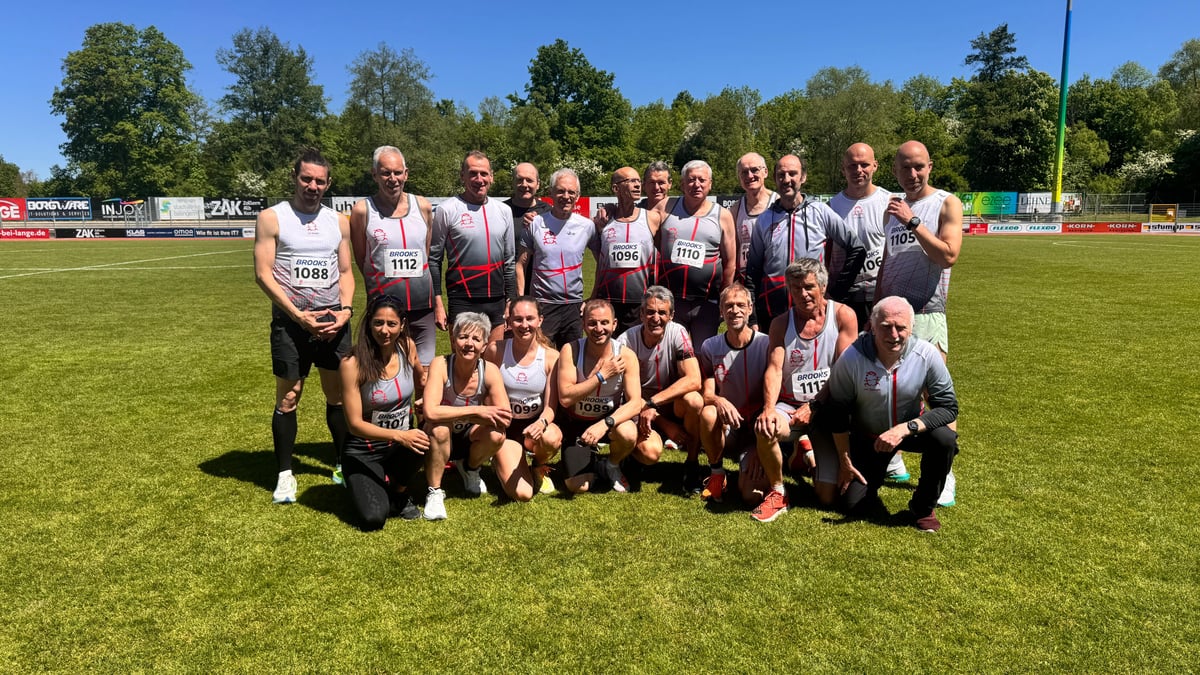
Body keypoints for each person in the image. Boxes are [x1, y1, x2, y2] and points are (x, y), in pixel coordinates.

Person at [253, 148, 354, 504]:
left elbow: (345, 272)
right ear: (294, 178)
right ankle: (285, 474)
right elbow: (263, 274)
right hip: (291, 323)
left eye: (319, 181)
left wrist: (345, 311)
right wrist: (298, 315)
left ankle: (342, 464)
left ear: (328, 183)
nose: (313, 186)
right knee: (289, 396)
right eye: (306, 179)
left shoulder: (339, 222)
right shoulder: (272, 218)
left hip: (332, 322)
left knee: (338, 395)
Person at [876, 140, 964, 504]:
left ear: (930, 167)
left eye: (919, 166)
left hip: (927, 313)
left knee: (935, 395)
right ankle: (894, 459)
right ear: (894, 171)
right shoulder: (891, 208)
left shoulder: (946, 202)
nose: (912, 174)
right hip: (890, 317)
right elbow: (887, 262)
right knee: (888, 391)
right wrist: (876, 311)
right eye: (905, 168)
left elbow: (949, 255)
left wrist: (912, 222)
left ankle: (944, 474)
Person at [824, 296, 959, 532]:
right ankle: (875, 474)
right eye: (886, 326)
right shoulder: (852, 357)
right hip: (869, 437)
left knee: (944, 439)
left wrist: (906, 428)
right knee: (853, 504)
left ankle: (923, 507)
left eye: (901, 327)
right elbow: (837, 411)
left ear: (912, 327)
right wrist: (845, 462)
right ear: (873, 326)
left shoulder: (926, 354)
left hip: (909, 432)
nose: (894, 335)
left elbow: (948, 407)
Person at [752, 258, 857, 522]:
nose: (802, 294)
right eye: (795, 288)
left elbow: (843, 371)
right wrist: (768, 409)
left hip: (827, 410)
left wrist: (815, 405)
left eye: (809, 286)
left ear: (823, 286)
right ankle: (778, 492)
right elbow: (774, 368)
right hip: (790, 405)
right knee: (765, 427)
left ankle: (804, 453)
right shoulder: (780, 323)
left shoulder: (843, 315)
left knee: (827, 497)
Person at [421, 313, 532, 520]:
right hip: (438, 435)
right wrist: (479, 411)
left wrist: (454, 414)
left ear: (484, 345)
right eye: (463, 337)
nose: (469, 344)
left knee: (497, 435)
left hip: (468, 435)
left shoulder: (489, 370)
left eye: (476, 339)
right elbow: (431, 412)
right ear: (453, 340)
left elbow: (504, 418)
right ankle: (434, 491)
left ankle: (470, 468)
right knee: (440, 428)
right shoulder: (440, 364)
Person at [338, 294, 430, 528]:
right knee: (374, 518)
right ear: (369, 322)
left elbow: (421, 380)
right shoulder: (352, 363)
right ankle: (361, 480)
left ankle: (398, 491)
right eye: (378, 323)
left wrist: (423, 403)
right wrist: (401, 435)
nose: (384, 330)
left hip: (399, 447)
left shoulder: (407, 347)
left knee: (428, 438)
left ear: (402, 324)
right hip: (363, 450)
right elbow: (354, 425)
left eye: (391, 324)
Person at [745, 154, 865, 331]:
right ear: (775, 179)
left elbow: (857, 249)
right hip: (774, 311)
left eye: (792, 174)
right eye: (781, 175)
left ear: (803, 177)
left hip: (813, 310)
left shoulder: (820, 211)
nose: (787, 180)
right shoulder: (764, 220)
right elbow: (753, 271)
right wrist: (753, 317)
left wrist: (837, 293)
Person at [349, 146, 438, 366]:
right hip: (383, 310)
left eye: (397, 172)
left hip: (422, 307)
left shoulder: (423, 207)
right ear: (374, 175)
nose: (392, 179)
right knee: (386, 371)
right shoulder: (362, 210)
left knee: (424, 372)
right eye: (385, 173)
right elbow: (362, 259)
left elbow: (425, 253)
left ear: (406, 174)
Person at [616, 286, 705, 492]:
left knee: (694, 400)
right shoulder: (626, 341)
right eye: (650, 312)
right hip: (638, 408)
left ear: (671, 315)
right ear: (641, 314)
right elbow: (627, 395)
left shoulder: (678, 332)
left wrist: (653, 403)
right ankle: (629, 455)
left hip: (663, 404)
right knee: (650, 454)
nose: (655, 318)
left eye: (662, 313)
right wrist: (663, 423)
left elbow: (694, 380)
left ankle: (692, 464)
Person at [429, 151, 517, 344]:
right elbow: (434, 260)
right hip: (462, 300)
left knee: (494, 359)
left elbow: (510, 262)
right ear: (463, 176)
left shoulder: (504, 211)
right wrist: (438, 303)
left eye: (484, 174)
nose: (479, 179)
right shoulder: (447, 210)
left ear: (491, 177)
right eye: (473, 174)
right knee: (463, 359)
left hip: (496, 301)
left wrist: (511, 301)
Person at [557, 299, 643, 493]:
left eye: (604, 322)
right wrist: (602, 375)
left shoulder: (626, 355)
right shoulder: (571, 350)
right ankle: (592, 461)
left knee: (628, 433)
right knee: (578, 487)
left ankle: (612, 464)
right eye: (592, 323)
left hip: (609, 422)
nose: (599, 329)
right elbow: (565, 398)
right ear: (583, 325)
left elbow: (635, 403)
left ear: (614, 324)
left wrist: (605, 424)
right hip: (576, 424)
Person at [697, 282, 772, 505]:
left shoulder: (766, 344)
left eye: (740, 305)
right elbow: (706, 394)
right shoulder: (710, 346)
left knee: (751, 496)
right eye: (729, 306)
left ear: (750, 308)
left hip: (757, 430)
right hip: (729, 427)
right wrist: (719, 400)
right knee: (708, 413)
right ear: (721, 311)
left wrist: (761, 445)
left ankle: (782, 454)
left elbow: (776, 395)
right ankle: (717, 473)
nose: (735, 311)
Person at [484, 296, 563, 494]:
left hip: (532, 430)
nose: (524, 325)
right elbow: (483, 394)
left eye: (530, 318)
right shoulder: (495, 350)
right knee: (523, 494)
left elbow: (550, 406)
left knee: (552, 437)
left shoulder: (551, 357)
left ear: (540, 320)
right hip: (504, 430)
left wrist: (541, 423)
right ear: (509, 321)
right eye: (518, 319)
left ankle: (538, 466)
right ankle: (498, 457)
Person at [657, 160, 736, 346]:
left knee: (704, 353)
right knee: (671, 353)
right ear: (682, 184)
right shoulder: (665, 207)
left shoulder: (723, 215)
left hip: (706, 304)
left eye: (702, 180)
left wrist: (723, 298)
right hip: (670, 300)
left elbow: (730, 262)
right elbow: (640, 223)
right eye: (691, 180)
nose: (697, 184)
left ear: (710, 184)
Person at [516, 168, 596, 348]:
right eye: (560, 191)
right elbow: (520, 264)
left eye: (571, 192)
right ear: (551, 193)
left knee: (572, 357)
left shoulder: (587, 226)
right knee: (541, 356)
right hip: (543, 305)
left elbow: (602, 261)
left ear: (578, 195)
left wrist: (592, 297)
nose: (566, 196)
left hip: (573, 307)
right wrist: (521, 300)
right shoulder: (535, 223)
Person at [591, 166, 662, 334]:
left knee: (635, 347)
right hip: (608, 299)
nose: (637, 185)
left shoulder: (652, 218)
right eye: (631, 181)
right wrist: (594, 295)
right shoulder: (603, 220)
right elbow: (599, 259)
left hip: (640, 301)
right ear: (616, 188)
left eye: (639, 181)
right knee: (607, 345)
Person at [827, 143, 889, 328]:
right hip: (843, 295)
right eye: (852, 165)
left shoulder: (889, 202)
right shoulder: (831, 207)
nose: (858, 170)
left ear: (875, 166)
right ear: (843, 169)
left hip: (880, 293)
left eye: (864, 164)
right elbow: (826, 254)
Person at [731, 153, 777, 284]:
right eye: (744, 172)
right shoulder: (735, 210)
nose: (750, 176)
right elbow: (733, 251)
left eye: (754, 170)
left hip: (773, 280)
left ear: (765, 172)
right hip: (746, 280)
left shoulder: (778, 203)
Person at [507, 162, 550, 285]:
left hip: (541, 285)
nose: (524, 184)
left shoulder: (548, 212)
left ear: (538, 184)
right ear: (513, 182)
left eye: (529, 180)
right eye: (520, 180)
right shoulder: (501, 211)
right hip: (507, 284)